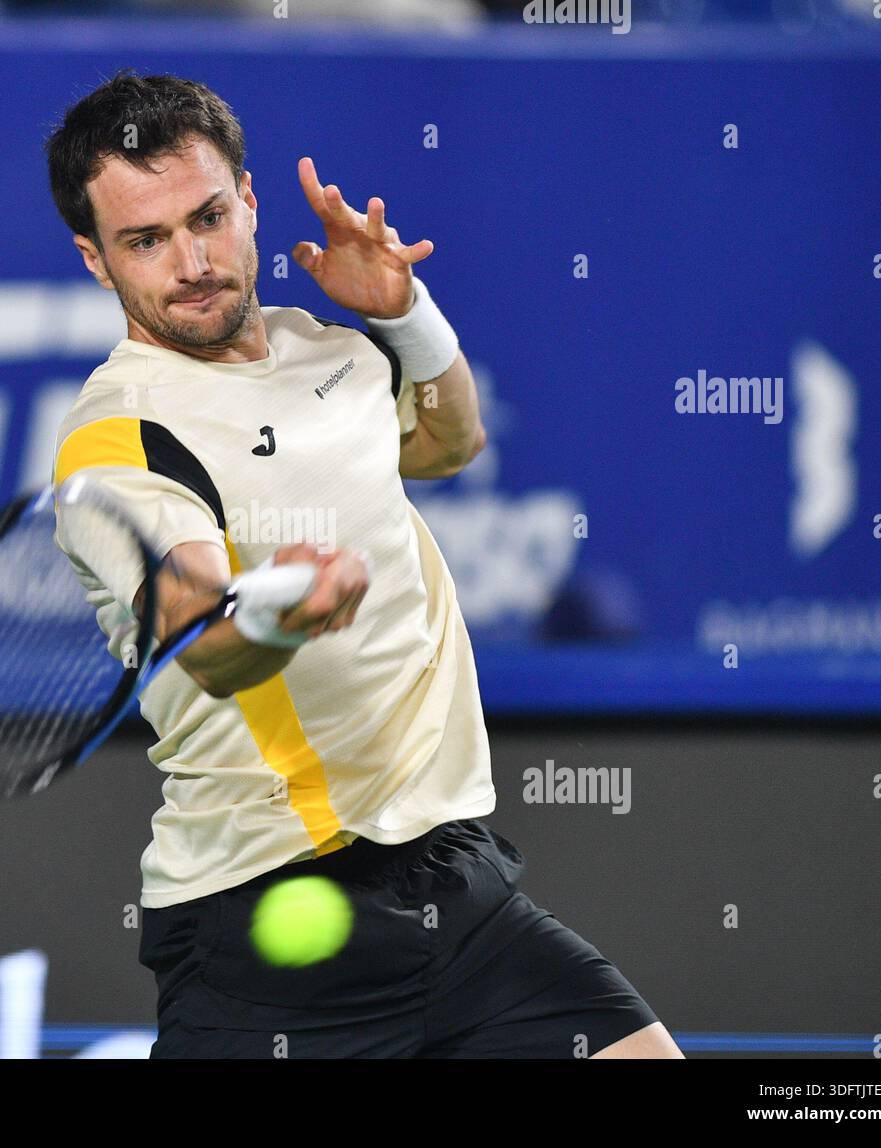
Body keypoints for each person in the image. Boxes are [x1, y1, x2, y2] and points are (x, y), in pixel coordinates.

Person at [45, 68, 682, 1059]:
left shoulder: (330, 350)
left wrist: (406, 312)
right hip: (263, 921)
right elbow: (203, 637)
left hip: (453, 882)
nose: (192, 260)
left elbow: (446, 443)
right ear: (96, 258)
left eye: (209, 216)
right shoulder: (116, 435)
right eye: (145, 239)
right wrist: (285, 612)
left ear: (249, 202)